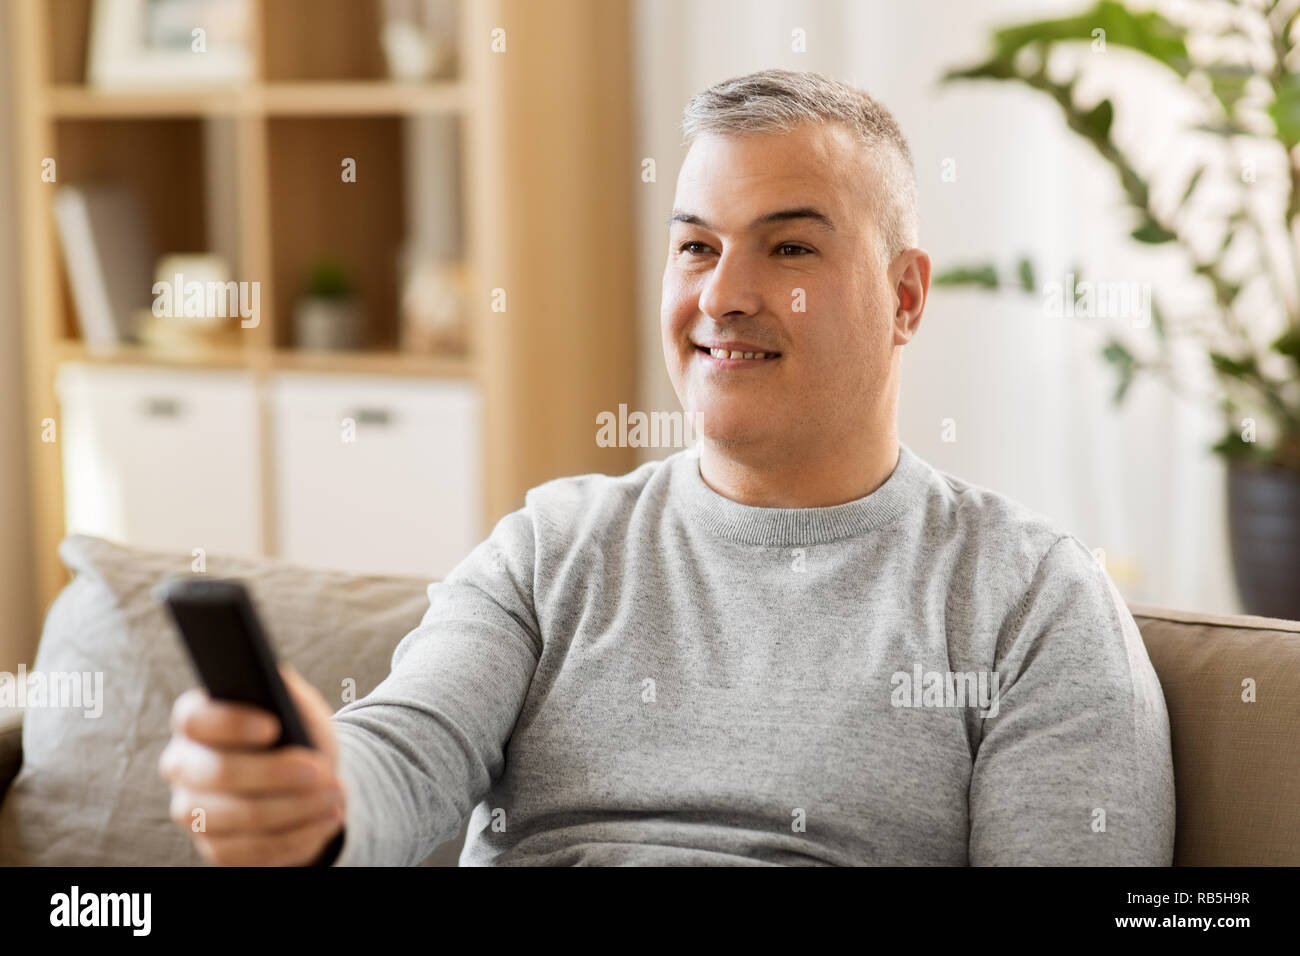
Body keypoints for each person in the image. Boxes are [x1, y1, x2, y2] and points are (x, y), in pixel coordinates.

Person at [159, 68, 1175, 866]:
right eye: (695, 246)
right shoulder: (550, 546)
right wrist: (314, 792)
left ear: (905, 296)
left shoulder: (1029, 597)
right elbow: (400, 755)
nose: (722, 295)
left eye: (787, 250)